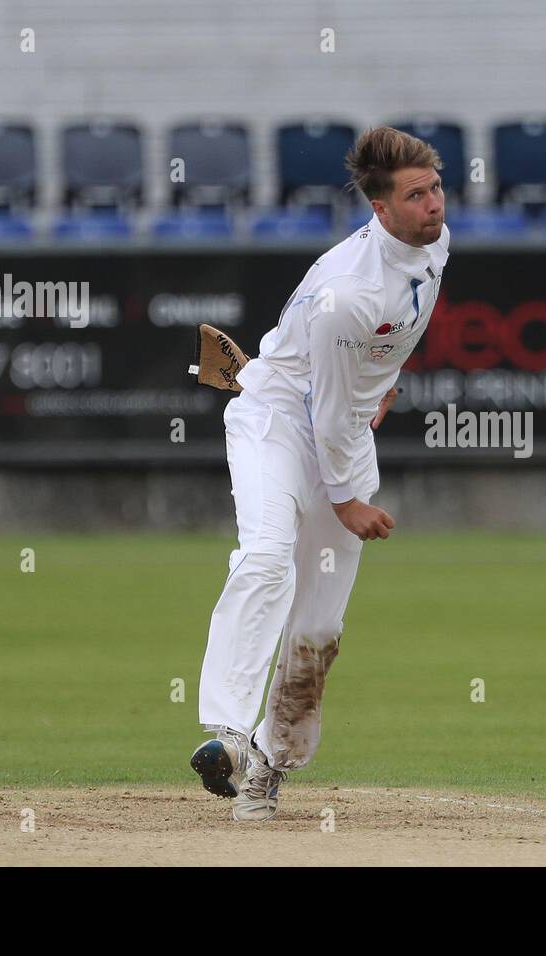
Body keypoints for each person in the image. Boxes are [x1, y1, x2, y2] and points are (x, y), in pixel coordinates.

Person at [191, 126, 449, 821]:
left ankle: (268, 769)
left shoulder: (434, 243)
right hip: (277, 426)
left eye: (435, 188)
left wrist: (381, 384)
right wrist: (346, 503)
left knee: (318, 629)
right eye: (416, 196)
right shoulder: (346, 295)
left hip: (343, 432)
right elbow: (327, 414)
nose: (433, 204)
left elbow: (361, 383)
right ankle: (227, 734)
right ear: (381, 209)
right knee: (269, 558)